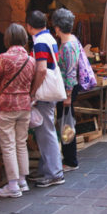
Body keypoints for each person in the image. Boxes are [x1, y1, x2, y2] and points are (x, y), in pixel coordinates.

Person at [0, 23, 36, 198]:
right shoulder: (31, 60)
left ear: (7, 39)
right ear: (24, 39)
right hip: (24, 105)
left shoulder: (3, 58)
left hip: (6, 106)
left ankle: (13, 185)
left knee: (8, 144)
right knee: (21, 143)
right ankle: (23, 181)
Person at [26, 10, 65, 188]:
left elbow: (41, 70)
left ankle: (54, 173)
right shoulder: (49, 38)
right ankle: (45, 169)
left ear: (29, 26)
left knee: (46, 132)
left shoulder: (40, 43)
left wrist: (33, 92)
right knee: (45, 132)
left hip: (44, 94)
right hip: (50, 93)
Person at [52, 8, 83, 172]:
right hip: (65, 89)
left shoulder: (68, 45)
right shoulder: (71, 41)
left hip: (67, 90)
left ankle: (71, 160)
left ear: (57, 27)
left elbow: (71, 71)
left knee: (66, 124)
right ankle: (69, 157)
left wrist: (68, 95)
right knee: (65, 123)